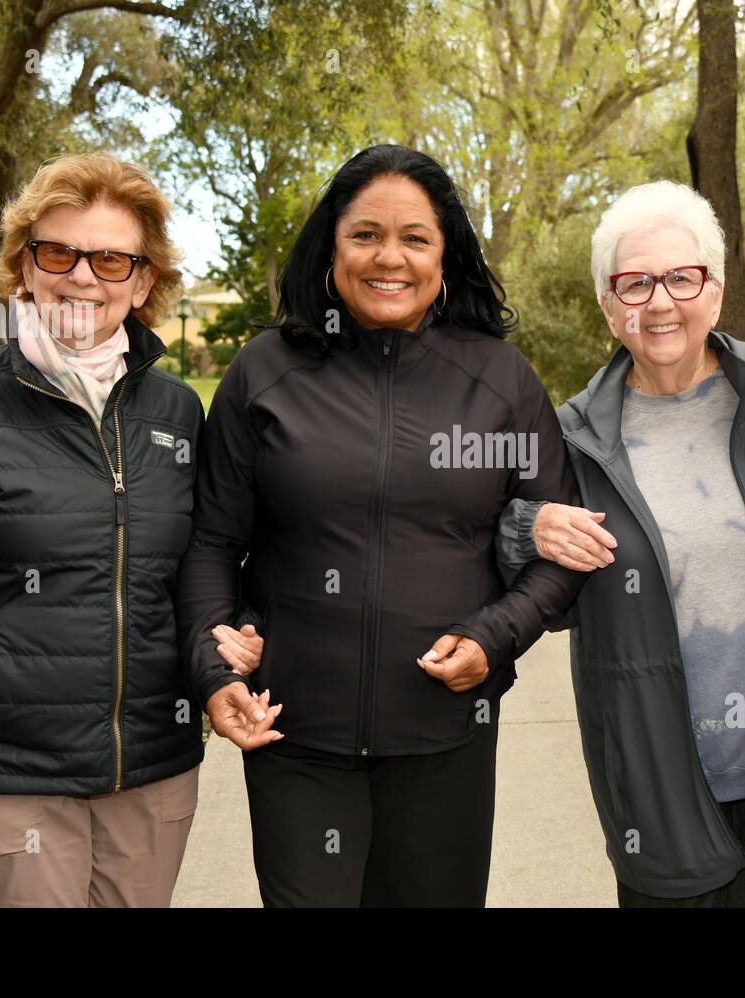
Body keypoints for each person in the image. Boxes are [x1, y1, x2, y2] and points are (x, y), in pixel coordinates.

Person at [177, 144, 584, 907]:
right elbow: (211, 541)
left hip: (447, 740)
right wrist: (212, 663)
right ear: (331, 246)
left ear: (444, 254)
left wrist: (494, 640)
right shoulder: (263, 372)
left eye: (414, 238)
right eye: (365, 235)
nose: (388, 257)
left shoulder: (500, 380)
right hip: (293, 737)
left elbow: (556, 556)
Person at [0, 153, 267, 908]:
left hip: (152, 778)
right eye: (59, 252)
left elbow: (198, 570)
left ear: (144, 282)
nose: (83, 276)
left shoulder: (178, 414)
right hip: (7, 787)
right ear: (24, 267)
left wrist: (230, 632)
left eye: (111, 259)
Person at [495, 180, 745, 906]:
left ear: (715, 289)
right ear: (609, 304)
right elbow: (531, 591)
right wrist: (525, 528)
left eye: (682, 277)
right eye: (635, 283)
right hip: (658, 796)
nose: (660, 301)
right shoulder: (573, 437)